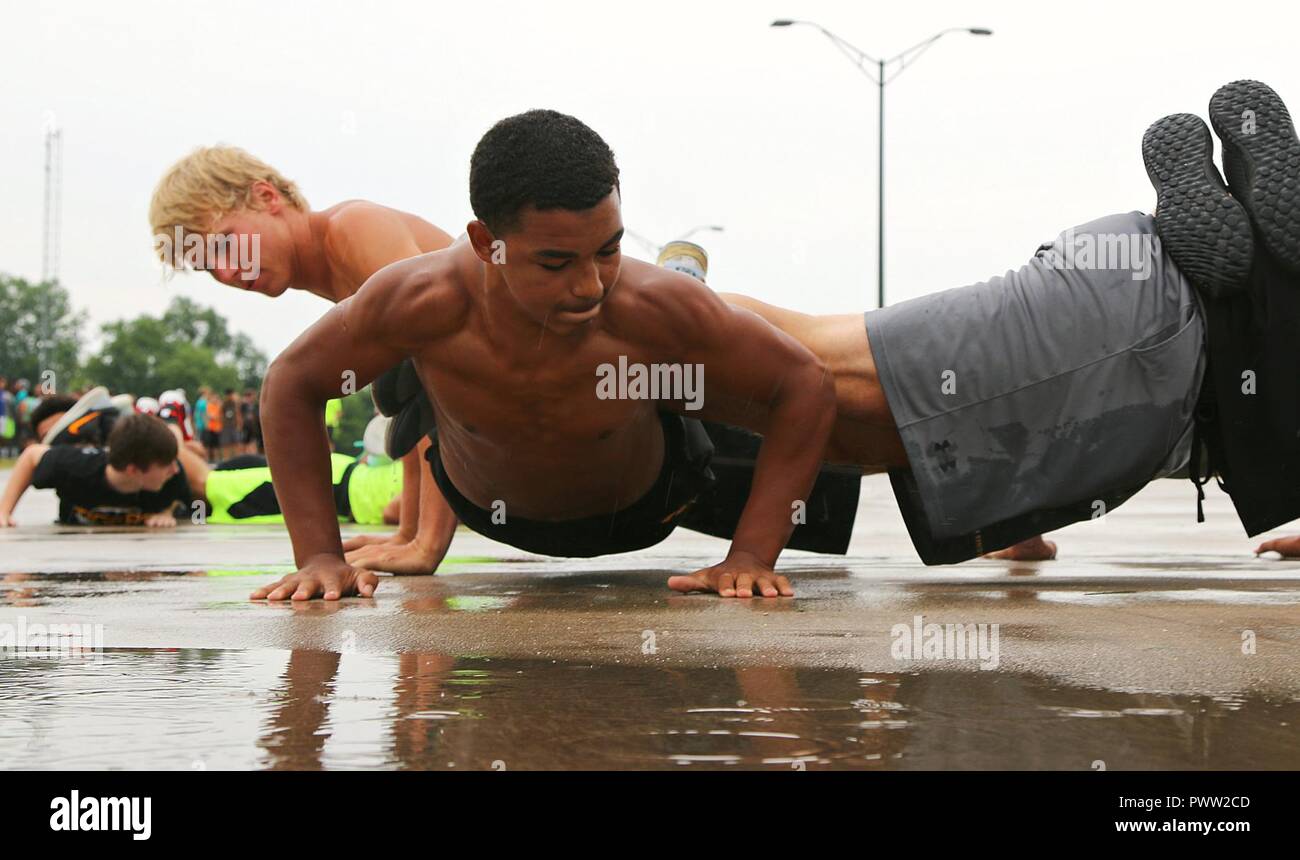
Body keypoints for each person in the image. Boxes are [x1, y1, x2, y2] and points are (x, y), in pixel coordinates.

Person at [251, 108, 837, 602]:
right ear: (487, 243)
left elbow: (805, 384)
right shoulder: (419, 298)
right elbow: (290, 382)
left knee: (676, 338)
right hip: (486, 503)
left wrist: (753, 554)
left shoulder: (647, 303)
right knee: (412, 365)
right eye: (556, 263)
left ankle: (683, 274)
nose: (589, 285)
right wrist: (319, 557)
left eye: (608, 249)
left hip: (645, 504)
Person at [150, 144, 456, 573]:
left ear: (267, 197)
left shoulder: (354, 228)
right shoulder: (334, 270)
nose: (226, 273)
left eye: (224, 244)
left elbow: (442, 372)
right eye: (207, 267)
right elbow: (405, 401)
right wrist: (406, 533)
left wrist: (427, 544)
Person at [0, 413, 403, 528]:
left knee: (204, 479)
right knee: (207, 479)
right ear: (140, 468)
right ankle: (152, 422)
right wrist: (4, 511)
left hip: (335, 480)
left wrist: (166, 510)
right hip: (331, 483)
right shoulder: (77, 468)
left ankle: (157, 425)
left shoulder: (168, 481)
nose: (173, 469)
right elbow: (33, 456)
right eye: (168, 460)